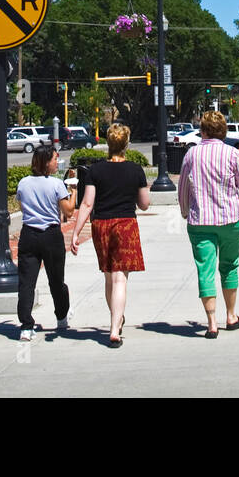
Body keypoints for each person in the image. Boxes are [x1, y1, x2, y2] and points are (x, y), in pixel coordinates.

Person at [69, 123, 150, 348]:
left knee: (108, 276)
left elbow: (86, 203)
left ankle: (116, 319)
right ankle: (115, 329)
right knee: (120, 278)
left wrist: (75, 232)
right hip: (125, 225)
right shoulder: (135, 169)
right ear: (126, 144)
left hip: (101, 225)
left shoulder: (95, 171)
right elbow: (144, 204)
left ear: (108, 143)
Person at [178, 110, 239, 338]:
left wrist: (184, 211)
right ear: (223, 131)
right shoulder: (231, 154)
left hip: (200, 220)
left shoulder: (191, 155)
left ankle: (211, 322)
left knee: (205, 270)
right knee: (230, 265)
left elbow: (183, 188)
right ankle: (231, 316)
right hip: (230, 219)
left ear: (202, 130)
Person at [15, 146, 74, 341]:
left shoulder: (23, 183)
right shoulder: (57, 184)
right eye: (55, 159)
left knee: (26, 282)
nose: (58, 162)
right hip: (51, 235)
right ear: (45, 162)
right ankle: (61, 316)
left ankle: (26, 325)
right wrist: (73, 191)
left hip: (29, 234)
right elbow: (69, 212)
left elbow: (22, 207)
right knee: (56, 280)